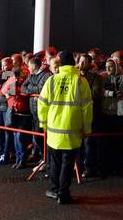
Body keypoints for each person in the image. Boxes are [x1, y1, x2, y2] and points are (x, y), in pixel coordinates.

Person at [36, 52, 93, 204]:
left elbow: (41, 104)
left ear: (60, 63)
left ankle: (54, 190)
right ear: (73, 62)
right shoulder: (81, 81)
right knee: (68, 163)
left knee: (55, 162)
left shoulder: (52, 80)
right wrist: (87, 129)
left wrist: (43, 124)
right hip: (73, 130)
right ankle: (64, 194)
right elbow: (87, 108)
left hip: (54, 129)